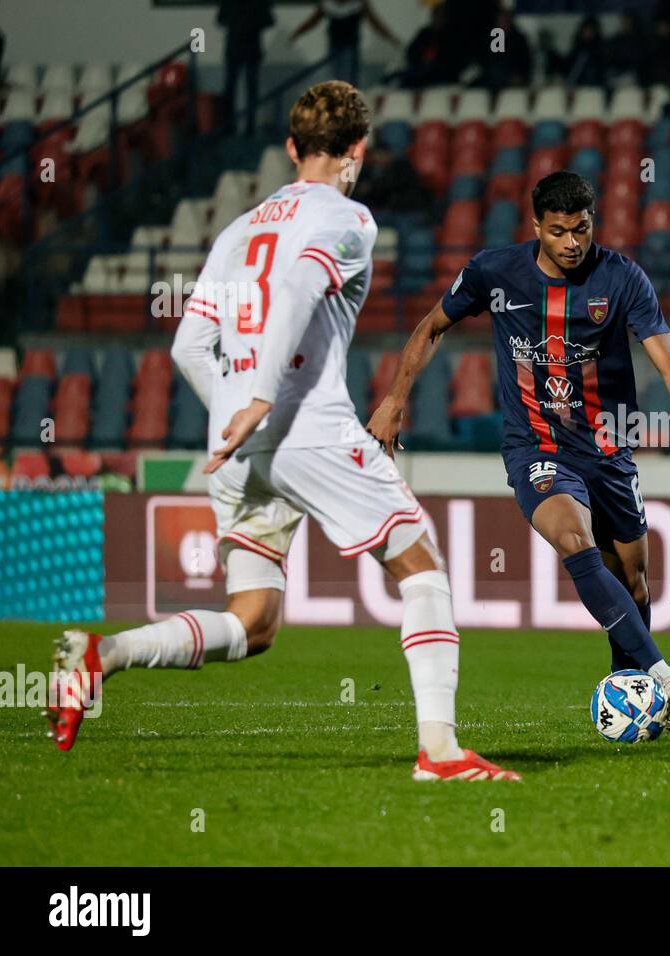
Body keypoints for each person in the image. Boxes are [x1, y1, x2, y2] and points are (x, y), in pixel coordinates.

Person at [46, 81, 518, 783]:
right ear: (358, 150)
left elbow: (186, 345)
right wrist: (264, 399)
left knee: (253, 621)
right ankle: (441, 753)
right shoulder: (351, 219)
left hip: (238, 444)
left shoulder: (237, 231)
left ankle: (103, 654)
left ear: (292, 148)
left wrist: (237, 413)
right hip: (305, 426)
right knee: (422, 568)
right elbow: (299, 287)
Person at [366, 171, 670, 722]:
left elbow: (668, 360)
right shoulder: (494, 272)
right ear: (536, 227)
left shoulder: (623, 279)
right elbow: (431, 328)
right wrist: (394, 400)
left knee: (634, 582)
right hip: (536, 447)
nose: (572, 242)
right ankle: (663, 680)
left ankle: (632, 695)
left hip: (610, 448)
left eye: (582, 229)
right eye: (559, 231)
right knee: (574, 538)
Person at [290, 1, 401, 88]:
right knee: (335, 77)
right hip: (334, 47)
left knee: (348, 79)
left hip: (350, 48)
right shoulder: (328, 5)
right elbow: (312, 21)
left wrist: (391, 38)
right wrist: (297, 33)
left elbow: (375, 23)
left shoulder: (358, 4)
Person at [217, 0, 274, 135]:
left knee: (231, 90)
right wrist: (252, 22)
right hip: (251, 48)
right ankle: (249, 127)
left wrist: (237, 22)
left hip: (235, 48)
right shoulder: (259, 3)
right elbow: (269, 21)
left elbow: (221, 19)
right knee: (250, 90)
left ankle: (230, 126)